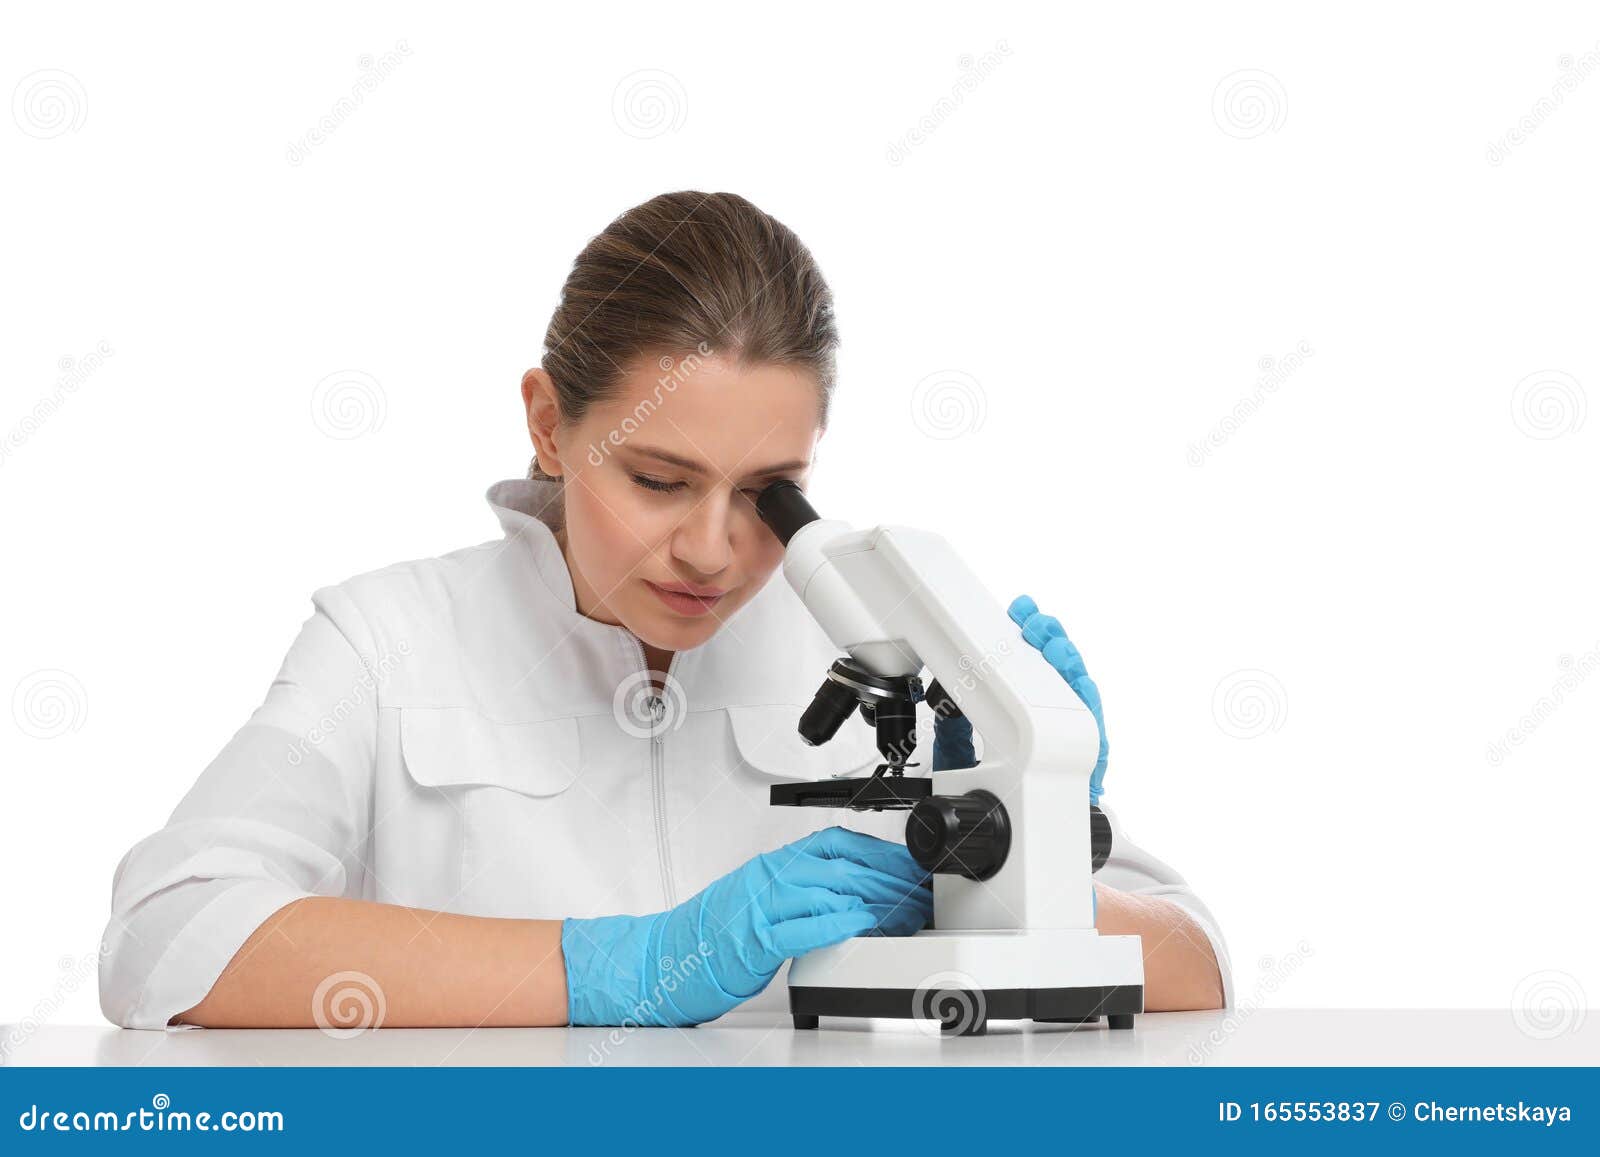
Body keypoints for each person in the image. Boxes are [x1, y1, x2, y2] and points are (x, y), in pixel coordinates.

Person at [98, 191, 1231, 1031]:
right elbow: (167, 939)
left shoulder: (876, 644)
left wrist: (1026, 860)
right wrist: (621, 966)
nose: (710, 547)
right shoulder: (390, 640)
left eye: (764, 492)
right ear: (549, 423)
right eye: (656, 479)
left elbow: (1198, 959)